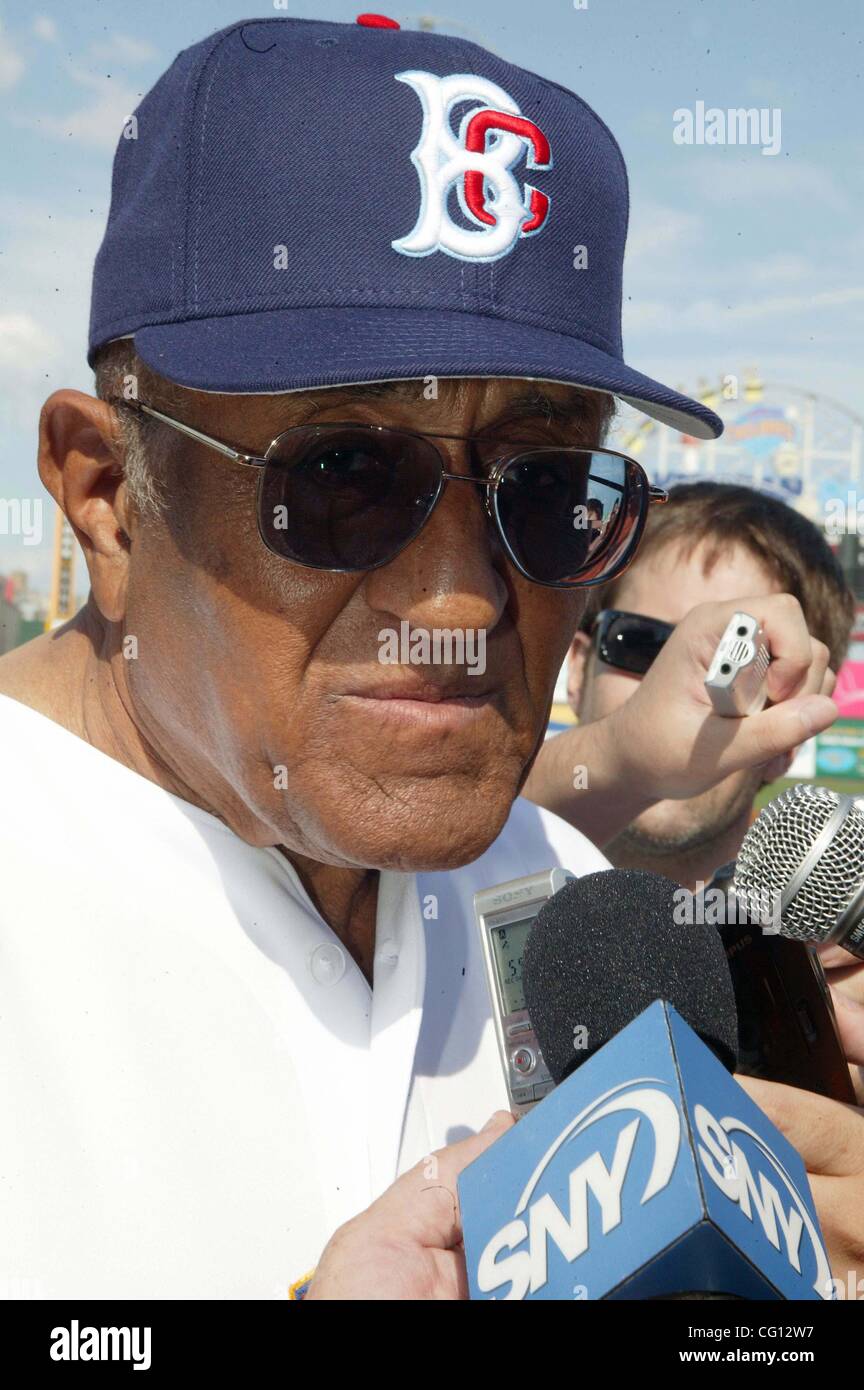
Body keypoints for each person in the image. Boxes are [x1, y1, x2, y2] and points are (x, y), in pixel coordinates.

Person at [0, 14, 859, 1300]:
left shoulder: (573, 904)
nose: (460, 601)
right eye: (343, 475)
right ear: (108, 497)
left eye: (548, 486)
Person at [564, 481, 855, 891]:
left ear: (791, 737)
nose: (678, 688)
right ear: (577, 668)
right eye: (642, 644)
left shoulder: (828, 950)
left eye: (733, 665)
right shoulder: (446, 885)